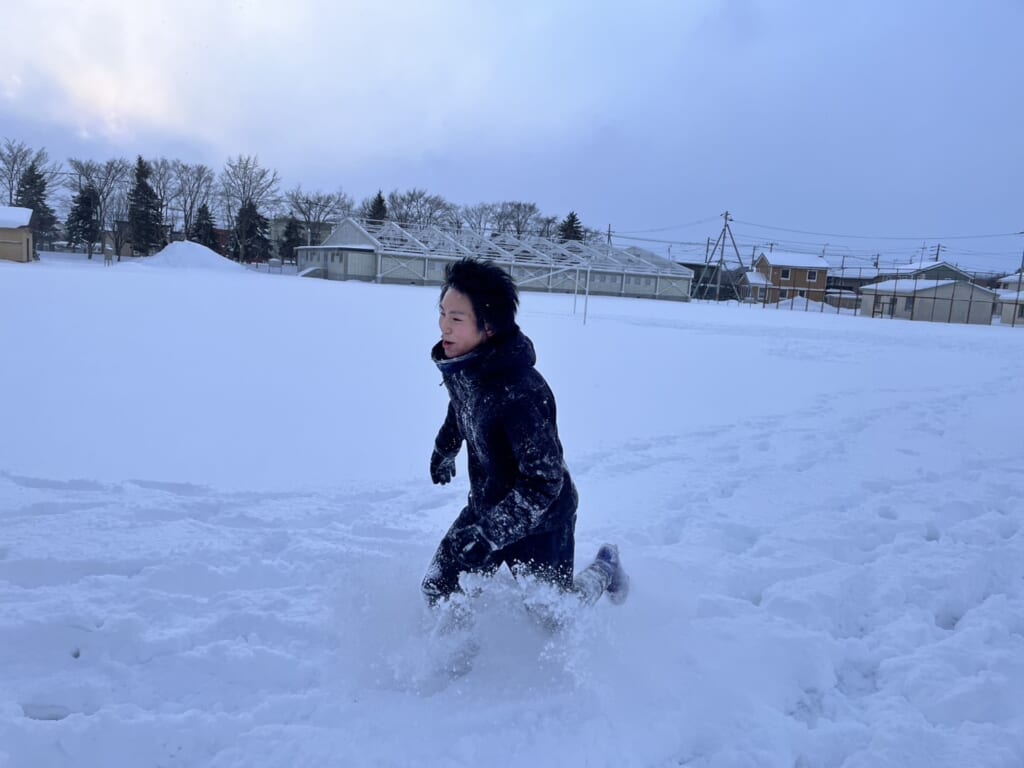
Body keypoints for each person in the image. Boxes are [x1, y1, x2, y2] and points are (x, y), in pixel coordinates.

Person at [421, 257, 629, 609]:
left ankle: (606, 568)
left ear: (488, 327)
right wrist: (445, 449)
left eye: (456, 319)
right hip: (488, 506)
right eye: (442, 313)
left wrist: (491, 534)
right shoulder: (464, 367)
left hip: (542, 521)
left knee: (554, 616)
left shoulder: (521, 394)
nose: (444, 327)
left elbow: (545, 481)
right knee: (438, 591)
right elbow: (461, 409)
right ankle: (459, 660)